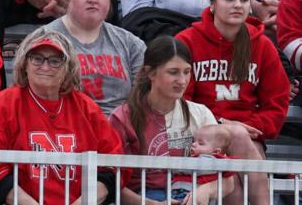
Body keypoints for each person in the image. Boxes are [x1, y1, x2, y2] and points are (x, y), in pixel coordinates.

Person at [110, 35, 267, 205]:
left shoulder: (199, 113)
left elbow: (228, 180)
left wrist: (206, 190)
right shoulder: (122, 117)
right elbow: (110, 182)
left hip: (188, 196)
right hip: (143, 198)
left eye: (187, 72)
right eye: (173, 72)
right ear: (150, 73)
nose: (182, 81)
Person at [0, 33, 121, 205]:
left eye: (55, 60)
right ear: (24, 64)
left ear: (68, 68)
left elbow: (112, 166)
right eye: (37, 58)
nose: (45, 66)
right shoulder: (2, 105)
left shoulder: (87, 109)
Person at [175, 0, 287, 142]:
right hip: (197, 136)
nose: (238, 5)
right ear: (212, 3)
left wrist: (243, 128)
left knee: (241, 140)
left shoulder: (263, 46)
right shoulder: (186, 41)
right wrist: (218, 125)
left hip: (248, 136)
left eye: (244, 0)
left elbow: (277, 103)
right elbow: (178, 100)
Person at [32, 0, 145, 114]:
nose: (92, 0)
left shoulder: (131, 44)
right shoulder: (43, 40)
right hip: (65, 125)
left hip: (118, 127)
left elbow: (142, 100)